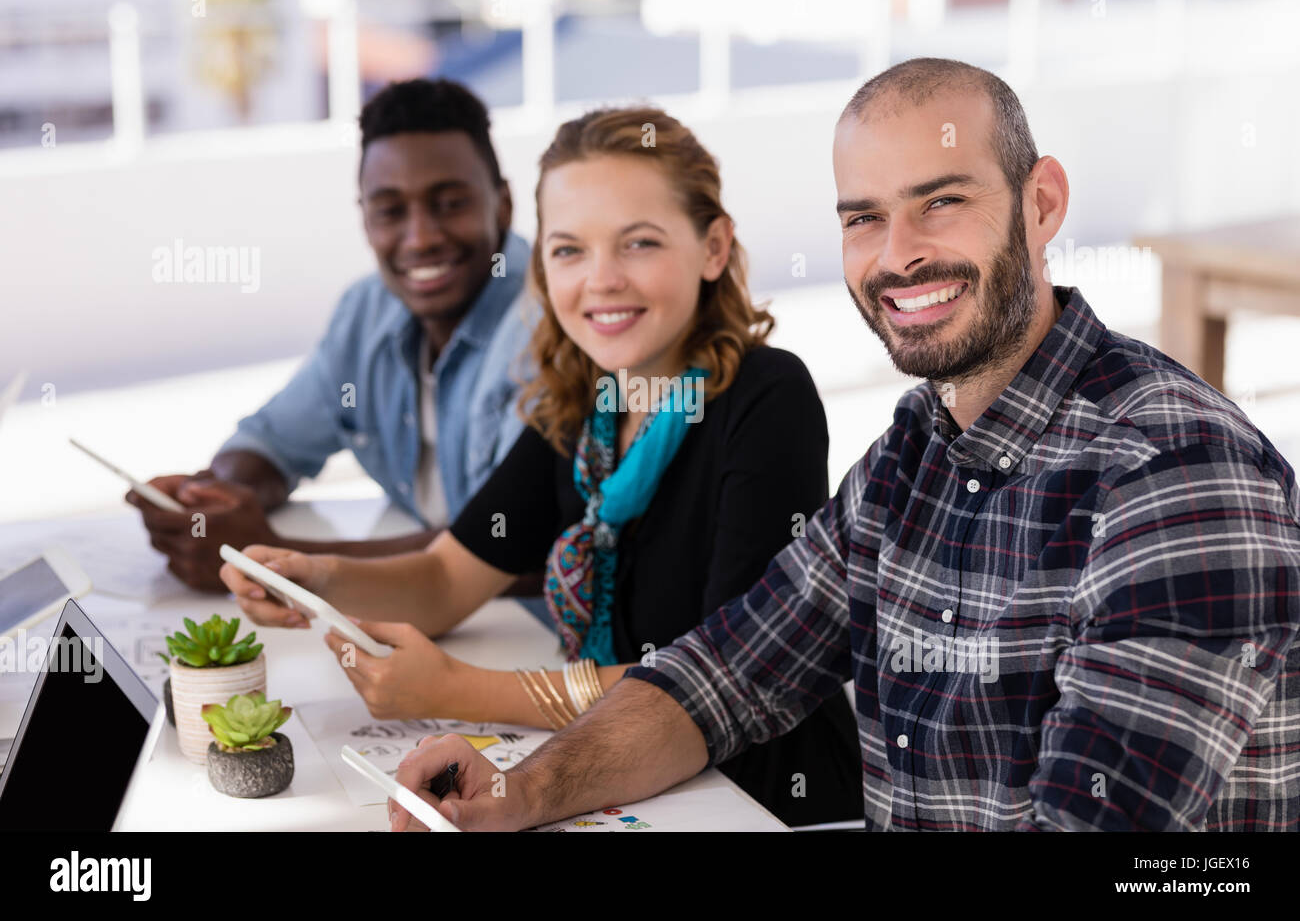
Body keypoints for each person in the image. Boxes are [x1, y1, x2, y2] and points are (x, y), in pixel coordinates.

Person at [386, 58, 1300, 833]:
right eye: (863, 217)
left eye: (940, 202)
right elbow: (722, 677)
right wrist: (523, 788)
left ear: (1042, 203)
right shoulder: (914, 450)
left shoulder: (1178, 475)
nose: (897, 255)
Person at [220, 106, 864, 827]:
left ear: (713, 248)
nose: (602, 281)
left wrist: (457, 690)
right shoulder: (580, 400)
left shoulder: (767, 399)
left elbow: (724, 673)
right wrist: (315, 579)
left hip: (762, 799)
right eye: (568, 251)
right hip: (624, 776)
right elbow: (444, 578)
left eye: (640, 243)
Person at [128, 79, 536, 591]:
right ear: (365, 220)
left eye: (450, 203)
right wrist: (212, 498)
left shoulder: (547, 323)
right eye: (390, 210)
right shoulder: (367, 310)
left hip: (529, 637)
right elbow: (271, 442)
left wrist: (274, 562)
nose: (421, 237)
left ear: (503, 205)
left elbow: (521, 546)